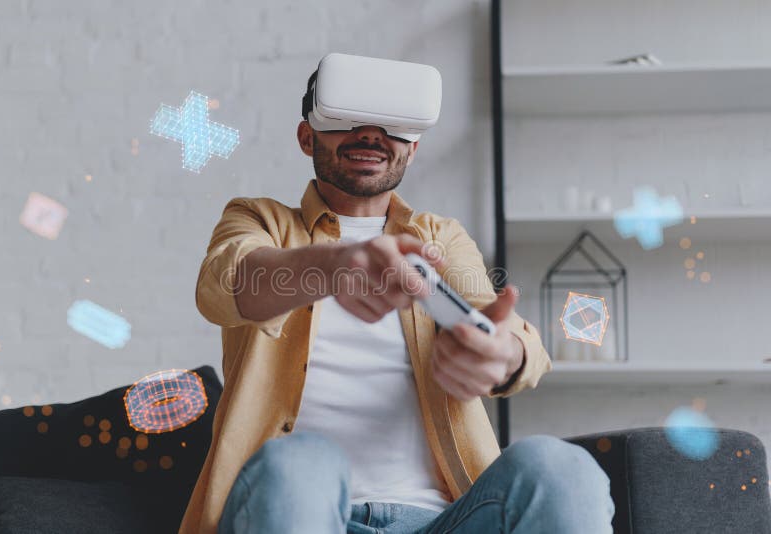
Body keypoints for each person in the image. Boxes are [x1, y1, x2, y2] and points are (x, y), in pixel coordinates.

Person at [179, 64, 615, 534]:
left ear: (413, 147)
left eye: (392, 127)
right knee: (303, 462)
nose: (370, 135)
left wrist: (502, 354)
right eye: (346, 121)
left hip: (444, 520)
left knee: (562, 469)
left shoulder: (439, 238)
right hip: (298, 509)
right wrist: (336, 266)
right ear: (307, 138)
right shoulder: (258, 219)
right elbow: (226, 284)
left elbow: (498, 325)